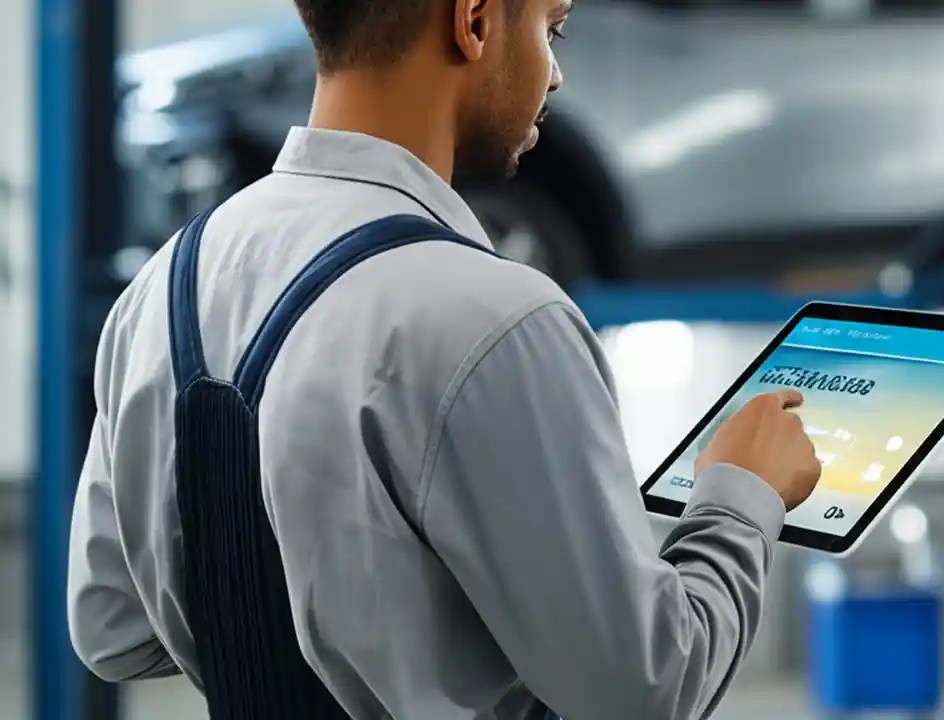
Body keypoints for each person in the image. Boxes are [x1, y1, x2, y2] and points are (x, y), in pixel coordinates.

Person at [66, 0, 822, 718]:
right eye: (551, 29)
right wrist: (739, 496)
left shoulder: (163, 286)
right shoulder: (498, 320)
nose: (554, 74)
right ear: (473, 19)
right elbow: (647, 688)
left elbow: (112, 628)